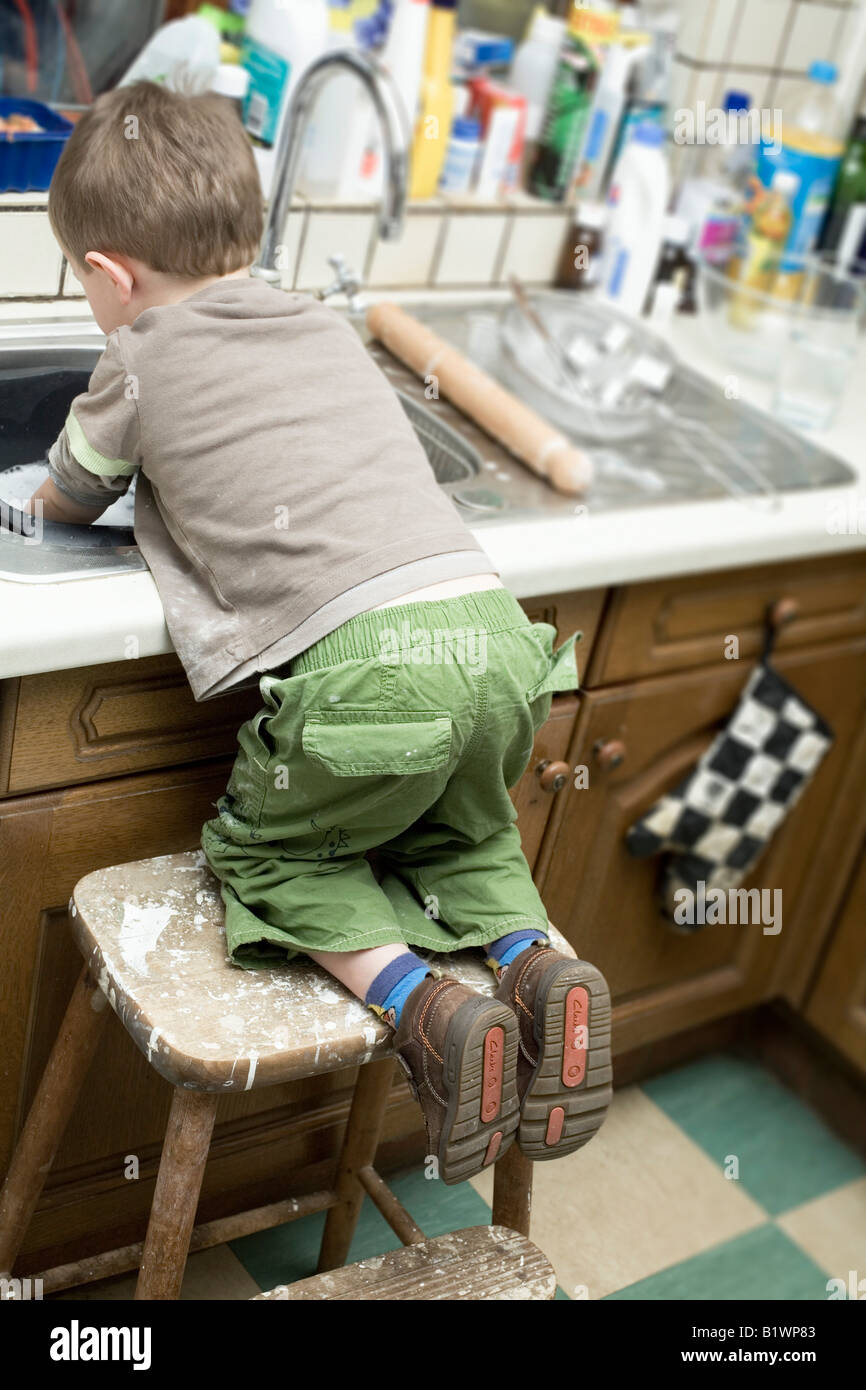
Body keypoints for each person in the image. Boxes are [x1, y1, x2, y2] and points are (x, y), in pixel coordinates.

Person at [32, 81, 611, 1185]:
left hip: (365, 676)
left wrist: (36, 504)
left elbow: (71, 489)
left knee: (271, 851)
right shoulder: (325, 328)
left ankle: (430, 1011)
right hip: (496, 640)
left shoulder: (140, 355)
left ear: (108, 276)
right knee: (464, 838)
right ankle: (536, 967)